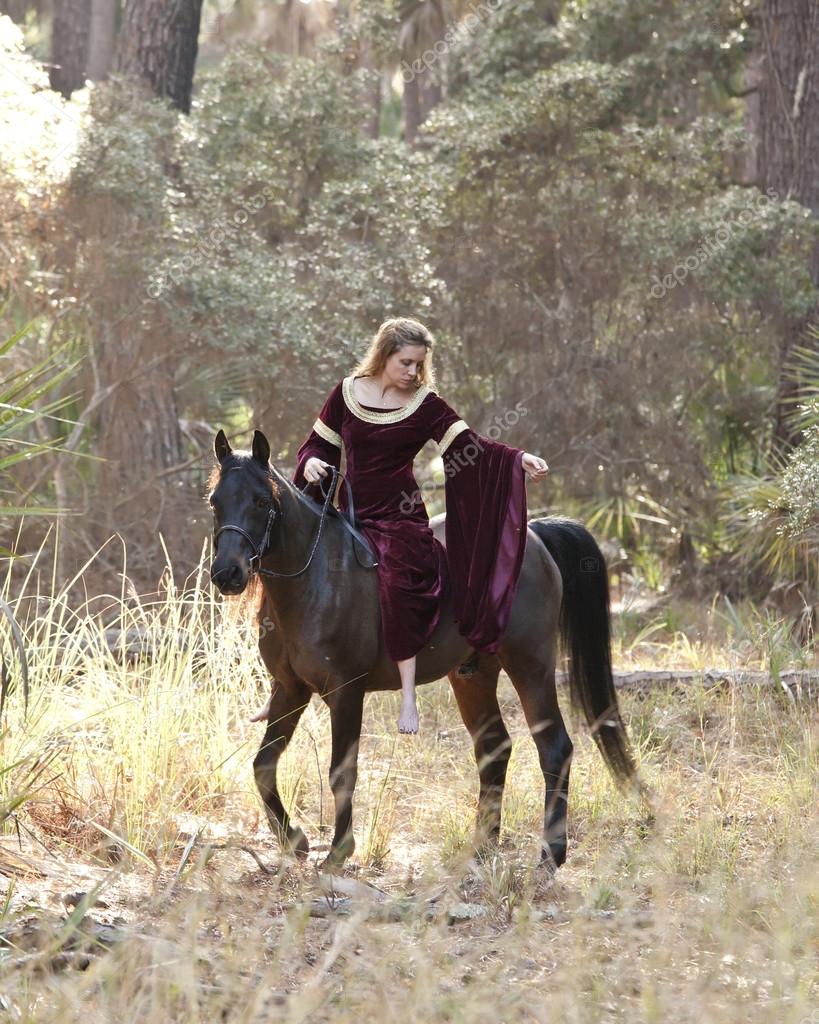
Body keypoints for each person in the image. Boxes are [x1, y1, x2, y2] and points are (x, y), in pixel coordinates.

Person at [267, 317, 548, 734]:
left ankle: (409, 697)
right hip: (350, 516)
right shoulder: (346, 394)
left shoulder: (424, 403)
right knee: (291, 574)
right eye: (406, 363)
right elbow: (315, 444)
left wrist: (516, 459)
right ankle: (282, 682)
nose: (413, 372)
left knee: (400, 577)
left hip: (401, 517)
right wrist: (309, 462)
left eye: (419, 364)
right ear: (384, 355)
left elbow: (471, 447)